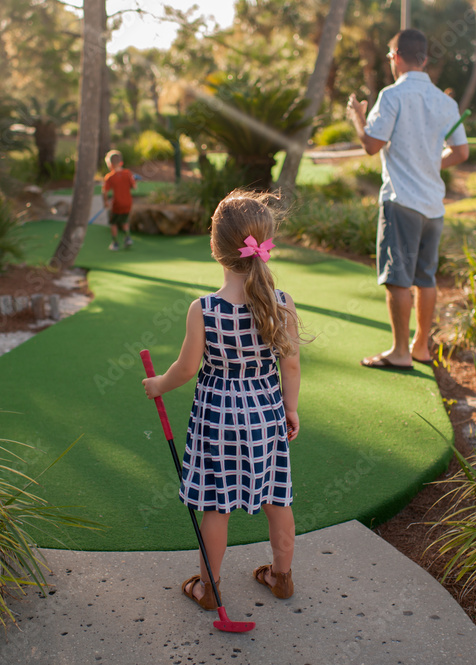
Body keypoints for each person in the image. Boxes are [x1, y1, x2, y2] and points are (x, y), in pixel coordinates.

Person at [142, 190, 302, 611]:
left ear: (216, 249)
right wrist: (290, 408)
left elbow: (186, 368)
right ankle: (281, 576)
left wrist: (158, 384)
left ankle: (209, 587)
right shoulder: (281, 303)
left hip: (218, 418)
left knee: (217, 504)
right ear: (263, 245)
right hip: (266, 414)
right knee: (276, 497)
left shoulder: (205, 309)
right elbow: (292, 367)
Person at [346, 29, 469, 369]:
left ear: (397, 56)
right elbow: (461, 152)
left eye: (389, 56)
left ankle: (400, 353)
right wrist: (431, 163)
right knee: (425, 278)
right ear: (425, 58)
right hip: (433, 206)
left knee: (398, 280)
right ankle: (420, 347)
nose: (389, 62)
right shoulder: (446, 102)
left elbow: (371, 146)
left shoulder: (391, 96)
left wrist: (357, 117)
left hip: (402, 202)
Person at [102, 149, 137, 251]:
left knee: (113, 223)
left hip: (116, 204)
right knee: (125, 221)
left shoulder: (109, 177)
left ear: (110, 164)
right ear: (121, 162)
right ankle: (127, 238)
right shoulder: (128, 173)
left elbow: (104, 191)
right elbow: (134, 187)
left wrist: (105, 202)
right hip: (127, 203)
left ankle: (115, 243)